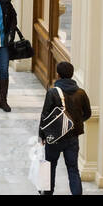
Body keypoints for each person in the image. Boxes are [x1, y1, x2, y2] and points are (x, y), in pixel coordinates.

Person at [38, 60, 92, 195]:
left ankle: (47, 193)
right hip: (72, 137)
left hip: (54, 137)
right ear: (72, 74)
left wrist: (42, 135)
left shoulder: (52, 92)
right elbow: (88, 113)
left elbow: (45, 116)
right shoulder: (81, 93)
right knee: (73, 169)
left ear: (58, 75)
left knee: (50, 166)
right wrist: (76, 122)